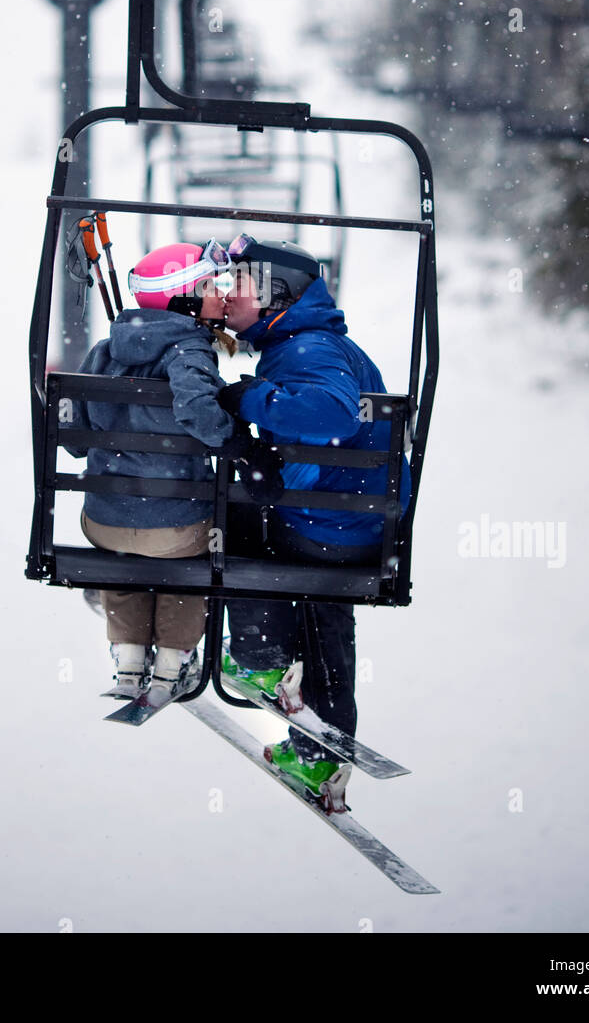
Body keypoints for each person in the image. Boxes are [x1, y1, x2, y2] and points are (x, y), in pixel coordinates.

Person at [216, 235, 411, 803]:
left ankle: (259, 657)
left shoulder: (309, 351)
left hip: (333, 526)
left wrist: (251, 398)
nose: (228, 295)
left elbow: (332, 414)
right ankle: (319, 754)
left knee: (230, 511)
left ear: (277, 293)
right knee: (326, 622)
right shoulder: (305, 345)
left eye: (241, 283)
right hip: (350, 525)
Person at [64, 241, 235, 701]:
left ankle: (130, 659)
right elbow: (199, 408)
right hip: (177, 531)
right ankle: (171, 662)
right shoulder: (189, 352)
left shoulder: (103, 351)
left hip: (104, 522)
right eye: (209, 286)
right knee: (189, 556)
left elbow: (75, 438)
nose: (222, 294)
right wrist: (228, 434)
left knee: (127, 557)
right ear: (184, 299)